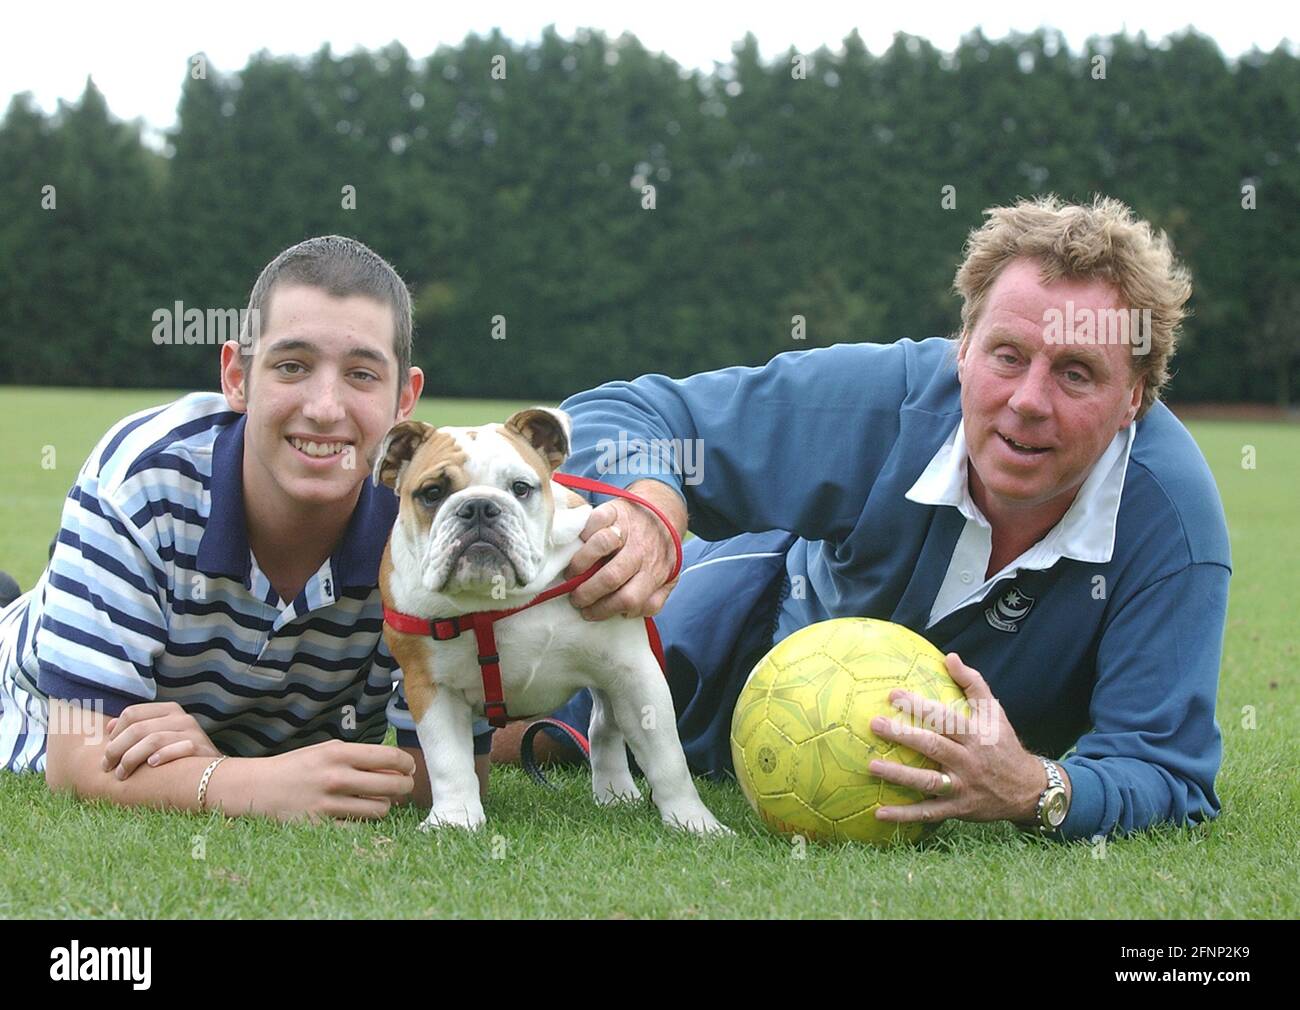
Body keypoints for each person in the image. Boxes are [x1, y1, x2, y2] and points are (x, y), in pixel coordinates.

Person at [500, 195, 1230, 843]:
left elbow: (1164, 767)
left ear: (1136, 396)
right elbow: (624, 414)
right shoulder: (887, 401)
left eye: (1075, 373)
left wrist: (1036, 788)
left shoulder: (1173, 522)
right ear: (963, 351)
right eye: (1007, 356)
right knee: (489, 737)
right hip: (728, 636)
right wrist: (649, 503)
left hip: (915, 777)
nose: (1030, 400)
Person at [0, 235, 494, 819]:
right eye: (292, 366)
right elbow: (78, 760)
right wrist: (236, 782)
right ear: (237, 377)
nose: (326, 407)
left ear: (404, 398)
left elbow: (451, 776)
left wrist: (222, 765)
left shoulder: (433, 516)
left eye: (362, 375)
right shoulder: (144, 476)